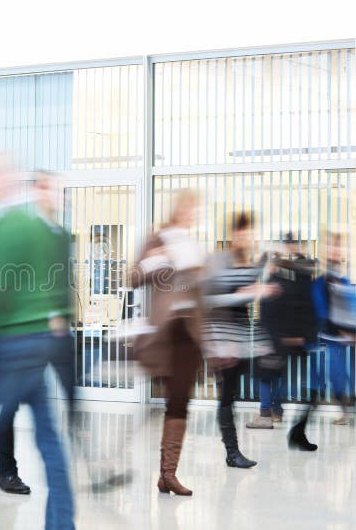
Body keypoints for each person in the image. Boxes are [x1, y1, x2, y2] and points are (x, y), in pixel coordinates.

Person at [0, 167, 74, 529]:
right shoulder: (29, 227)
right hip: (28, 340)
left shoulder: (40, 231)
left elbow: (7, 294)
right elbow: (13, 290)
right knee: (34, 430)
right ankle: (14, 479)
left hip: (22, 342)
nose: (58, 197)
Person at [129, 189, 204, 496]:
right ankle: (165, 473)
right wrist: (154, 260)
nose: (191, 214)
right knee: (172, 399)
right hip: (165, 334)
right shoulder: (157, 239)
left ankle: (168, 474)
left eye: (195, 209)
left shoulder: (193, 246)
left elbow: (198, 291)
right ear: (176, 209)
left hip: (189, 333)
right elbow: (132, 277)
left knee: (179, 401)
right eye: (188, 208)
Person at [288, 232, 356, 453]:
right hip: (326, 346)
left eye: (339, 247)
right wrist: (350, 333)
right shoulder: (321, 282)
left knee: (320, 391)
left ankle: (297, 433)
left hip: (334, 345)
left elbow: (354, 305)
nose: (337, 250)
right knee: (342, 390)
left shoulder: (340, 280)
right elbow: (324, 315)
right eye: (333, 246)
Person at [201, 211, 278, 469]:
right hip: (222, 339)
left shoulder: (243, 261)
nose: (248, 238)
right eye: (244, 232)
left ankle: (233, 450)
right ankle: (232, 452)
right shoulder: (218, 260)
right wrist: (250, 292)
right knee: (227, 396)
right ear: (234, 234)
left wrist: (262, 270)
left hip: (239, 338)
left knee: (235, 391)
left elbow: (245, 283)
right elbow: (211, 299)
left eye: (251, 233)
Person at [247, 233, 318, 429]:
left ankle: (266, 414)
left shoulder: (294, 272)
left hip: (277, 331)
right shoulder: (287, 272)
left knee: (266, 373)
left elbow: (279, 300)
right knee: (274, 372)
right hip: (279, 331)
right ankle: (276, 411)